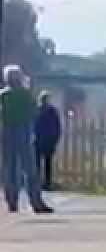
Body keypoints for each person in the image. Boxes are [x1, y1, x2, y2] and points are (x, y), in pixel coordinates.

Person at [0, 65, 53, 213]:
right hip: (23, 130)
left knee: (9, 168)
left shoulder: (3, 95)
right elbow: (34, 112)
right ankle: (36, 201)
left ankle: (12, 202)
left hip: (6, 132)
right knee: (29, 168)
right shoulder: (25, 94)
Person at [33, 91, 62, 191]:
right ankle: (37, 182)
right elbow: (33, 124)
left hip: (47, 140)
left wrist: (55, 139)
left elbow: (57, 126)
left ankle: (47, 183)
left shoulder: (52, 111)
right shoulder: (37, 110)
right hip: (38, 140)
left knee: (47, 164)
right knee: (37, 163)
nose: (45, 101)